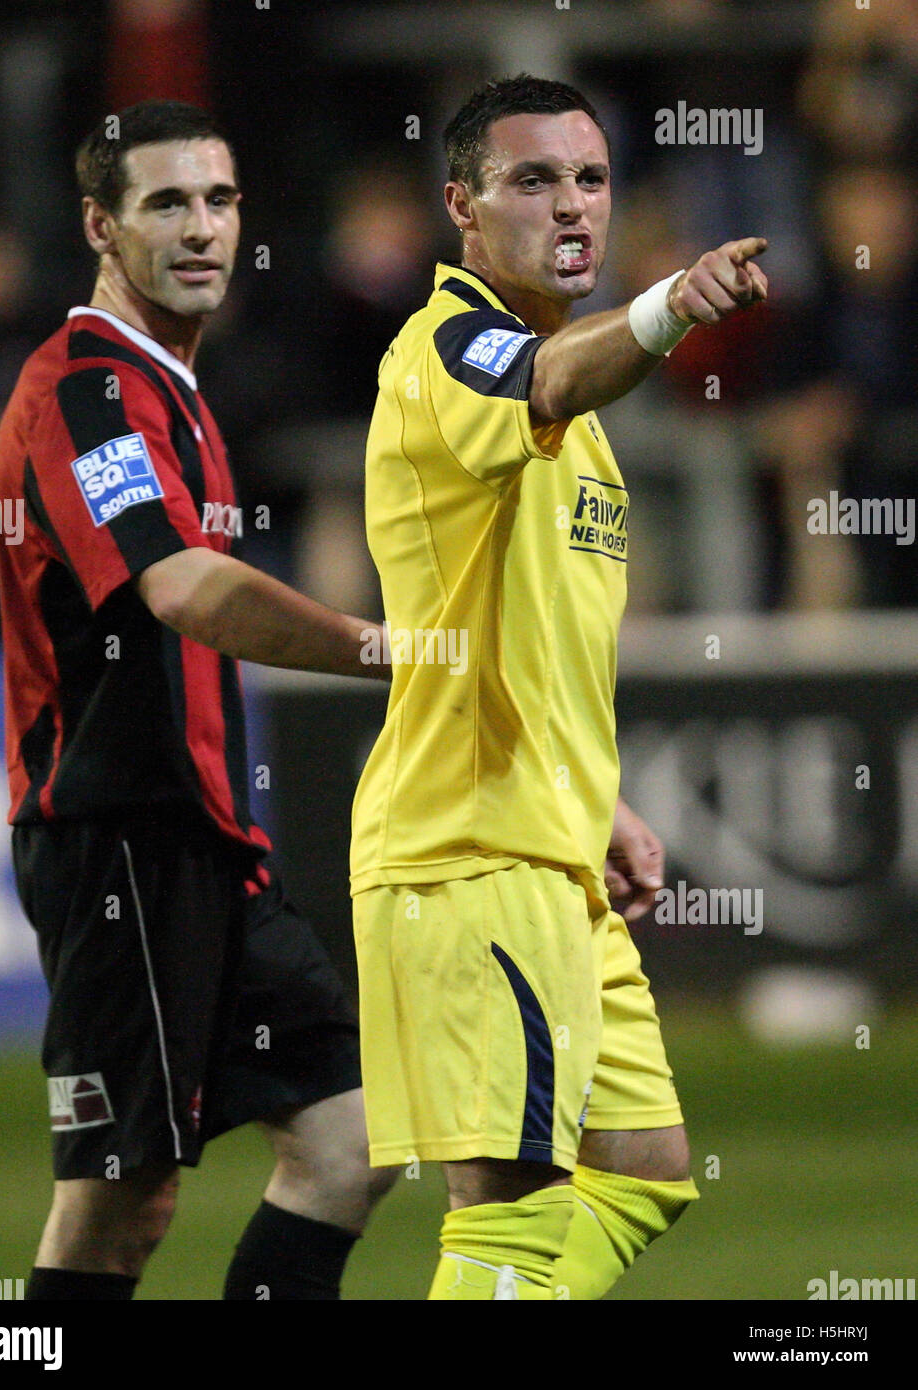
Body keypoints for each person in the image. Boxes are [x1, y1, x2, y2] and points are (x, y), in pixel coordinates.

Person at [351, 74, 768, 1299]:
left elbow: (529, 637)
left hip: (552, 841)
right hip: (468, 850)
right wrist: (664, 308)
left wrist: (601, 799)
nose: (571, 205)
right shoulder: (450, 350)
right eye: (532, 180)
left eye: (588, 178)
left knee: (642, 1172)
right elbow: (540, 377)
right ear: (462, 208)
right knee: (508, 1212)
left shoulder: (577, 412)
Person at [0, 99, 395, 1302]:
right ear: (99, 226)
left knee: (349, 1146)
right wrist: (389, 649)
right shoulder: (87, 392)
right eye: (166, 202)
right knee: (119, 1205)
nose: (203, 227)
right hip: (116, 838)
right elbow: (180, 586)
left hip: (206, 839)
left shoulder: (170, 384)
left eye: (219, 201)